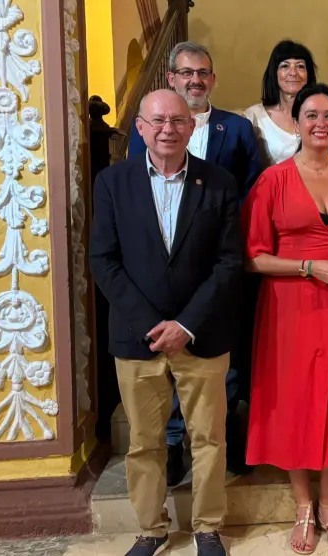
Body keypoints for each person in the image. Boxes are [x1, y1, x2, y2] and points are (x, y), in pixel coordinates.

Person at [90, 89, 240, 556]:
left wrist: (187, 324)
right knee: (144, 442)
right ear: (140, 128)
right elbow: (103, 260)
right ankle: (151, 529)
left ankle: (208, 526)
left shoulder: (219, 182)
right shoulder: (113, 183)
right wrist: (152, 324)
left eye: (176, 120)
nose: (167, 129)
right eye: (157, 121)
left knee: (209, 439)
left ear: (191, 126)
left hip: (203, 335)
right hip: (138, 339)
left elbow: (229, 262)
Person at [242, 83, 328, 555]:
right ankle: (303, 506)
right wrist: (306, 266)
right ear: (296, 122)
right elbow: (253, 257)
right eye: (312, 114)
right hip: (290, 309)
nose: (322, 122)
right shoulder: (273, 181)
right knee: (297, 401)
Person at [129, 41, 261, 485]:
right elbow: (138, 191)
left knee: (222, 357)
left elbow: (251, 188)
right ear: (172, 78)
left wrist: (219, 230)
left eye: (203, 72)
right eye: (186, 73)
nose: (195, 80)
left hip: (219, 261)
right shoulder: (149, 126)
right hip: (164, 266)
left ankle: (221, 437)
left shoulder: (237, 128)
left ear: (213, 79)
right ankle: (170, 445)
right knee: (166, 358)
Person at [243, 40, 317, 167]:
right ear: (274, 73)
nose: (293, 73)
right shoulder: (254, 116)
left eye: (300, 66)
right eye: (285, 66)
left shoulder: (320, 114)